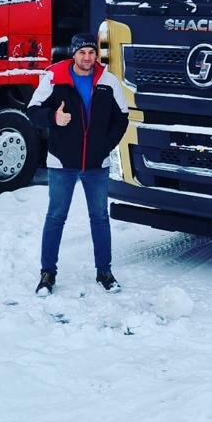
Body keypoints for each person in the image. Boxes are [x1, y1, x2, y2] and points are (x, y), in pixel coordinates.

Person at [28, 33, 129, 296]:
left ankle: (104, 272)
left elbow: (122, 118)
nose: (87, 57)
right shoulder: (53, 77)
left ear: (96, 55)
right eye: (82, 52)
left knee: (99, 217)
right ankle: (47, 273)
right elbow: (33, 111)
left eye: (91, 53)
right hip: (62, 162)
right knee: (55, 217)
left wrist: (105, 145)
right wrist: (53, 116)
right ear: (73, 54)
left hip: (97, 163)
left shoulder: (108, 81)